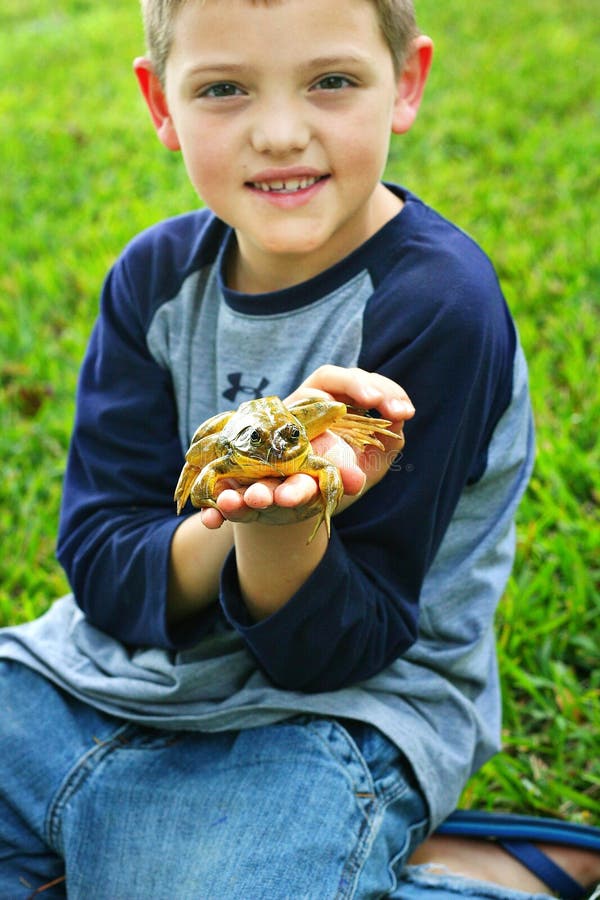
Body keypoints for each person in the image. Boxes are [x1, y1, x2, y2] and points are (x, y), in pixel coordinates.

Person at [3, 0, 595, 896]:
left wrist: (290, 520)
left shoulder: (437, 308)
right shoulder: (152, 281)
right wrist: (237, 510)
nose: (280, 133)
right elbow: (100, 558)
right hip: (90, 686)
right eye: (225, 88)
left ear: (407, 83)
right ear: (160, 103)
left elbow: (342, 651)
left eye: (331, 81)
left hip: (323, 724)